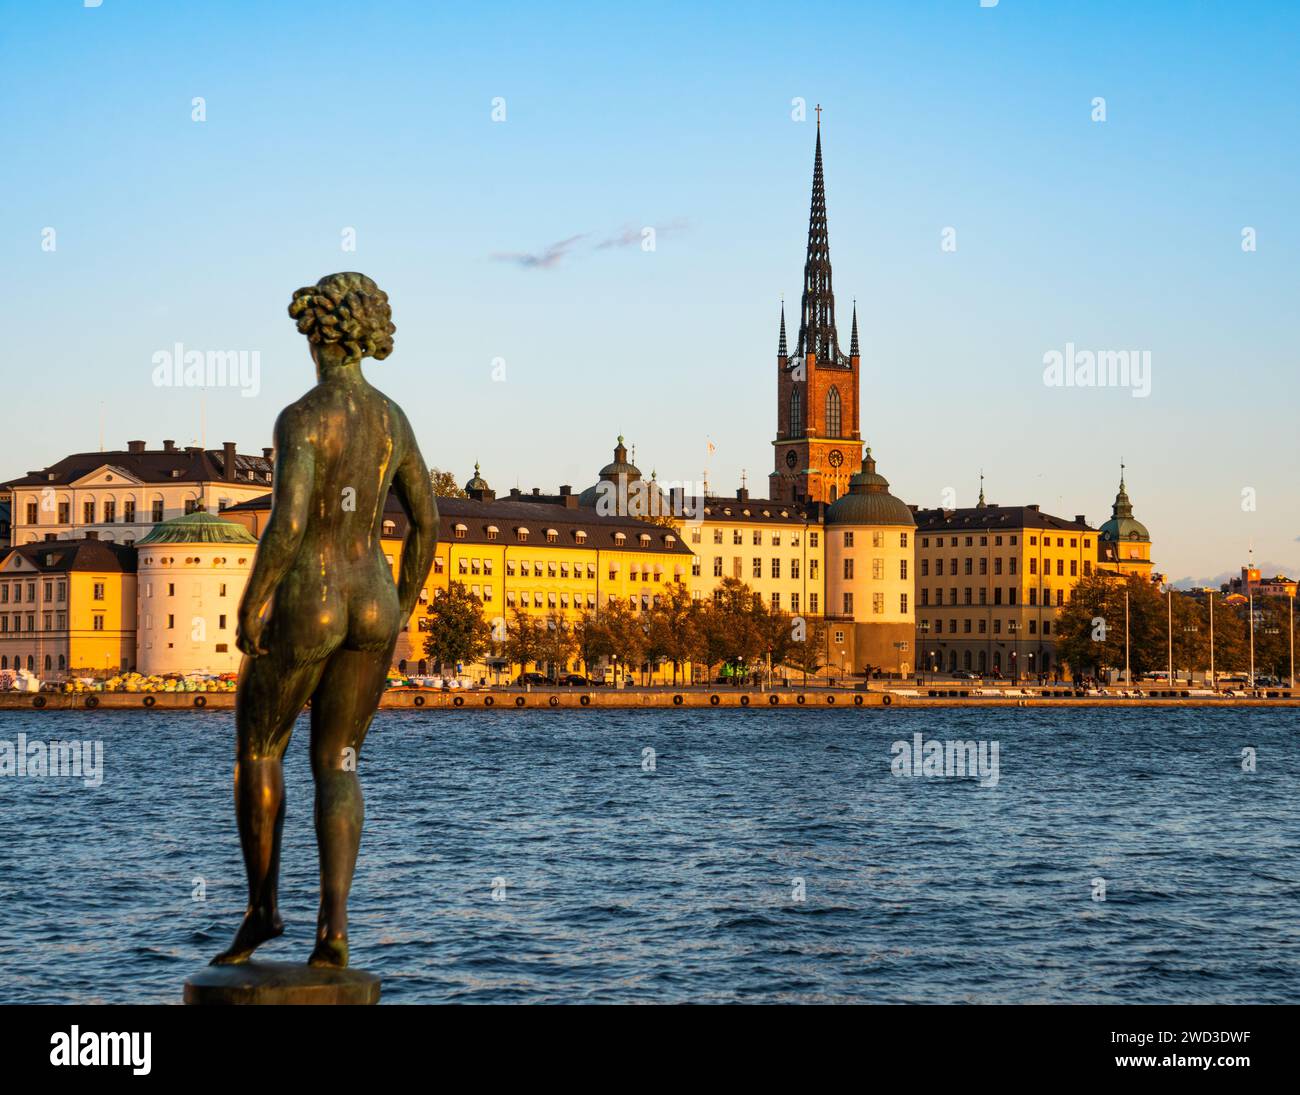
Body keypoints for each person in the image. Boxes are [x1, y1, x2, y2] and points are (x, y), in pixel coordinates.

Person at [212, 273, 439, 969]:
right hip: (373, 598)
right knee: (340, 761)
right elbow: (428, 521)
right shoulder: (392, 419)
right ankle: (333, 929)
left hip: (310, 598)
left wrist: (254, 598)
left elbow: (287, 521)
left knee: (259, 748)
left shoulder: (301, 417)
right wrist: (402, 597)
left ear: (318, 334)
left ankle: (263, 909)